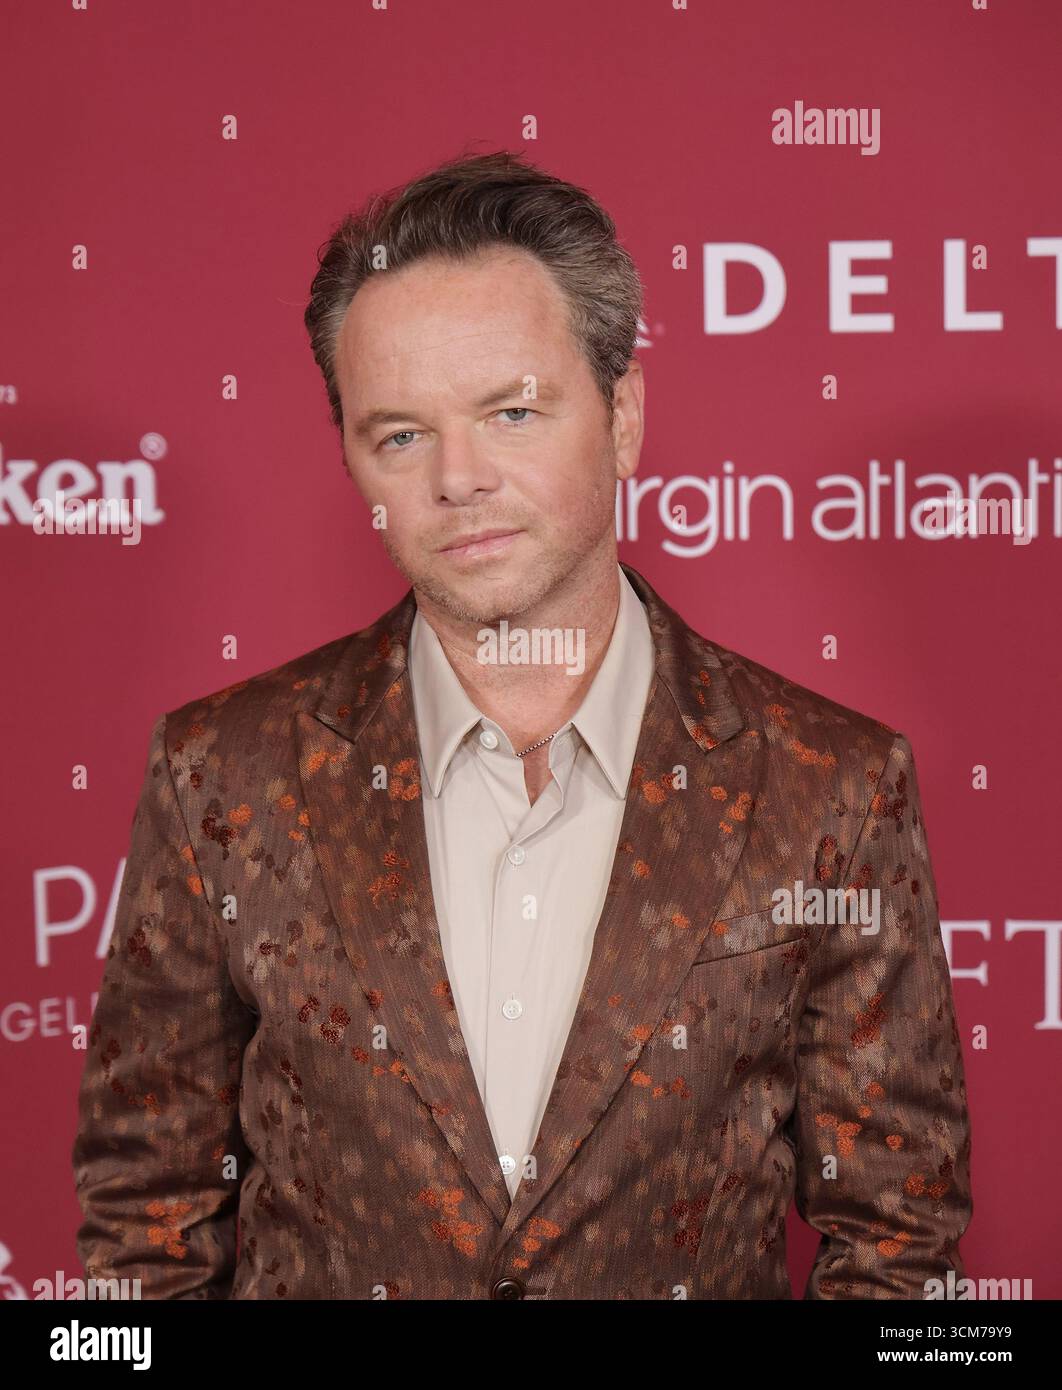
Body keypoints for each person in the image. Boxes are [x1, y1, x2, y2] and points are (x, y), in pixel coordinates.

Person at [73, 149, 972, 1299]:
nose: (459, 478)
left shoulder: (834, 783)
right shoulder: (222, 774)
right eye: (400, 434)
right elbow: (146, 1217)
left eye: (511, 411)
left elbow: (899, 1243)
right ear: (353, 458)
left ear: (624, 415)